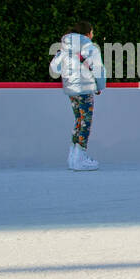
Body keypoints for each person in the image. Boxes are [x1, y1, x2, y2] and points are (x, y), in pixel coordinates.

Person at [49, 20, 107, 171]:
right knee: (86, 122)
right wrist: (100, 87)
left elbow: (54, 68)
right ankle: (80, 158)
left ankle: (72, 156)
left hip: (71, 90)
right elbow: (98, 70)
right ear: (87, 33)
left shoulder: (64, 48)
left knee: (78, 120)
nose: (93, 34)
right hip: (86, 89)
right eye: (92, 32)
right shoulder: (91, 48)